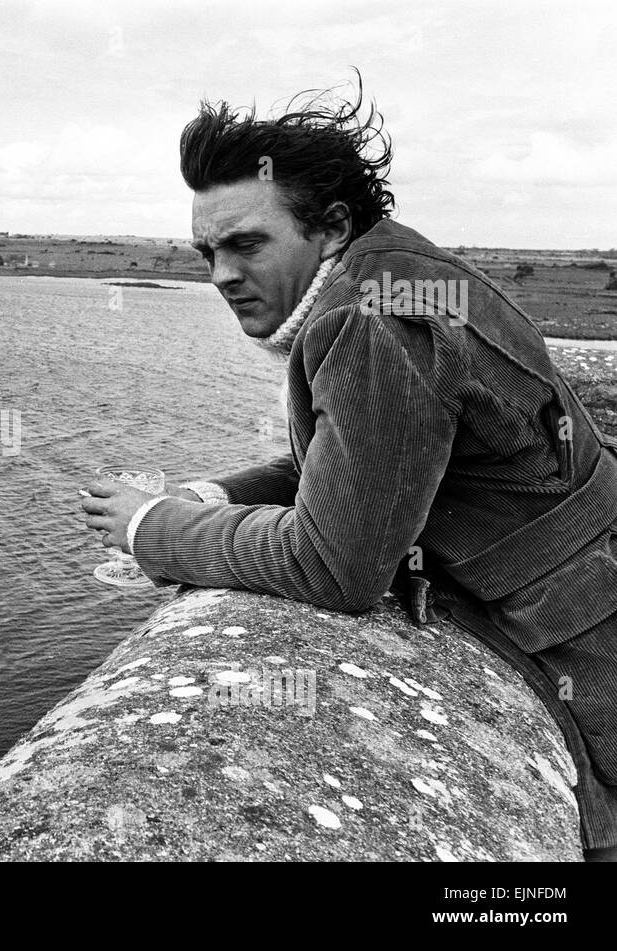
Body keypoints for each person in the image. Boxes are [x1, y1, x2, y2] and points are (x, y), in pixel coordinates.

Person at [80, 74, 617, 861]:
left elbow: (335, 565)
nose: (221, 274)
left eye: (246, 243)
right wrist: (213, 493)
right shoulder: (391, 270)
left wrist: (151, 528)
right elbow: (359, 458)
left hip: (580, 642)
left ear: (328, 227)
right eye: (207, 252)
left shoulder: (374, 321)